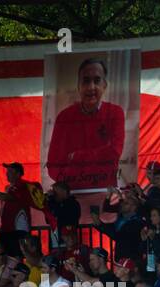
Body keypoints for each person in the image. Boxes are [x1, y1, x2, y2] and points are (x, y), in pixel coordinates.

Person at [47, 57, 125, 192]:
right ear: (79, 86)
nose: (91, 87)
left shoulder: (115, 113)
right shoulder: (64, 117)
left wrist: (76, 156)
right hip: (71, 192)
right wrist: (69, 183)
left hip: (104, 191)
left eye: (97, 80)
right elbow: (53, 164)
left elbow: (114, 152)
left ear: (104, 85)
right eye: (86, 81)